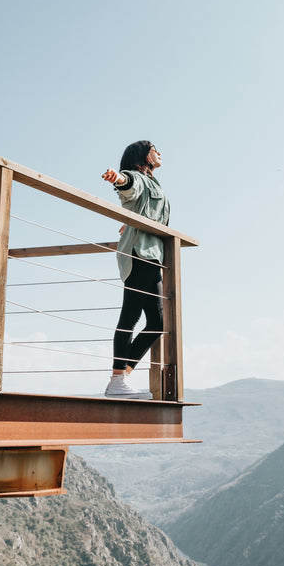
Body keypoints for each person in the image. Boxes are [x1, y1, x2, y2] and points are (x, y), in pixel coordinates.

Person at [102, 141, 169, 397]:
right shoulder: (136, 176)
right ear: (142, 155)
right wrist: (117, 178)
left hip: (152, 255)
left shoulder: (154, 183)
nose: (160, 152)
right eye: (155, 148)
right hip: (139, 253)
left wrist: (130, 223)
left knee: (157, 322)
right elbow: (128, 186)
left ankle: (121, 377)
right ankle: (117, 380)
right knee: (131, 317)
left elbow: (141, 208)